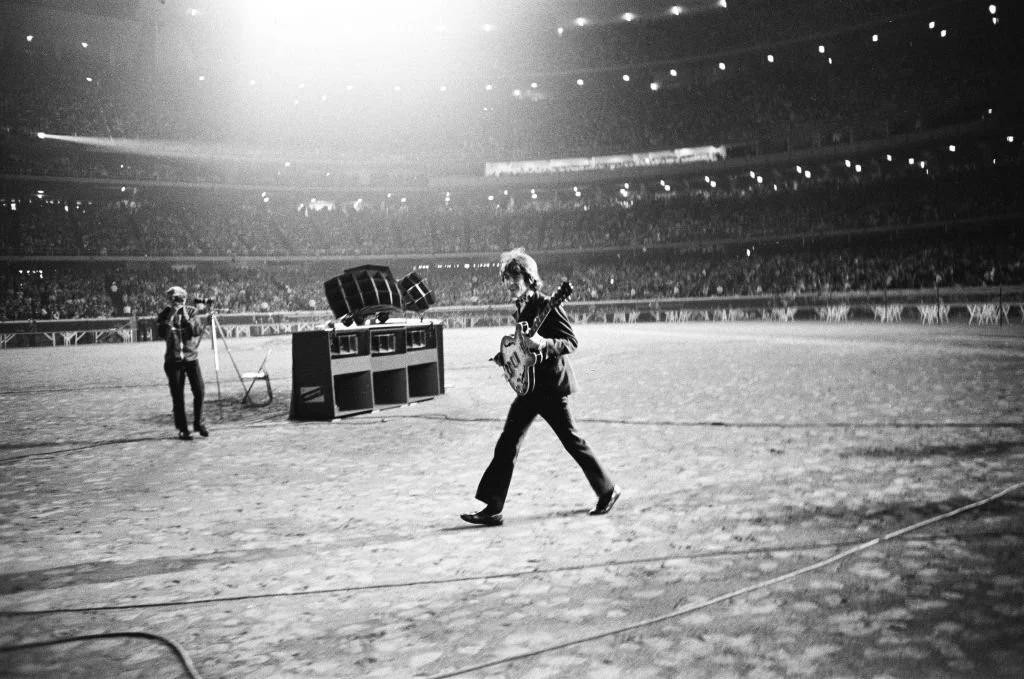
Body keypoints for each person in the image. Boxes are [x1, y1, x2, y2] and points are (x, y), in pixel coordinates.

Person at [461, 248, 621, 526]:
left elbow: (570, 341)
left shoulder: (547, 303)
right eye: (506, 278)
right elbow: (523, 345)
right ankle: (493, 507)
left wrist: (545, 344)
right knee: (508, 442)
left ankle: (608, 490)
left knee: (572, 441)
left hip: (550, 388)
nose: (510, 283)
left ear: (529, 278)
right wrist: (509, 358)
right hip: (530, 388)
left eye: (515, 277)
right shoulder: (522, 307)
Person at [157, 286, 208, 440]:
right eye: (173, 298)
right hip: (173, 360)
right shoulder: (165, 313)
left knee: (199, 391)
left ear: (184, 298)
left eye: (179, 297)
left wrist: (185, 313)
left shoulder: (192, 311)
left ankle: (198, 423)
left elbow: (196, 331)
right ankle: (183, 428)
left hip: (191, 357)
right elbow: (162, 334)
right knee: (177, 396)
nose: (177, 300)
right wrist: (172, 315)